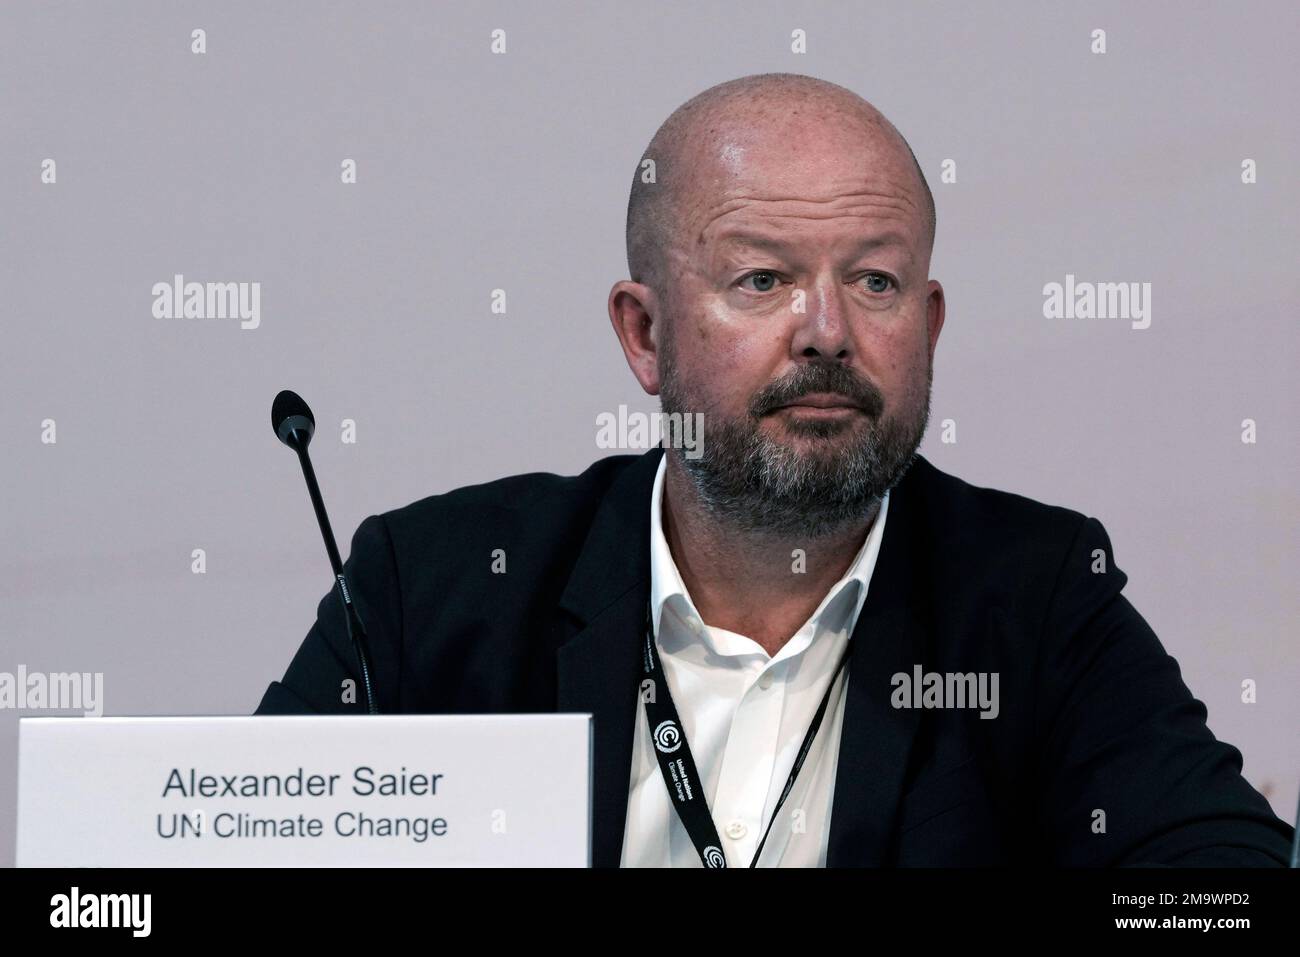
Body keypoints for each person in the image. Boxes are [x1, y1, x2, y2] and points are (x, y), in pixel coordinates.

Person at [256, 72, 1293, 867]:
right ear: (644, 331)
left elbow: (1215, 887)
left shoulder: (1033, 596)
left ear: (926, 326)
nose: (827, 333)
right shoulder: (432, 585)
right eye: (763, 279)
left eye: (875, 281)